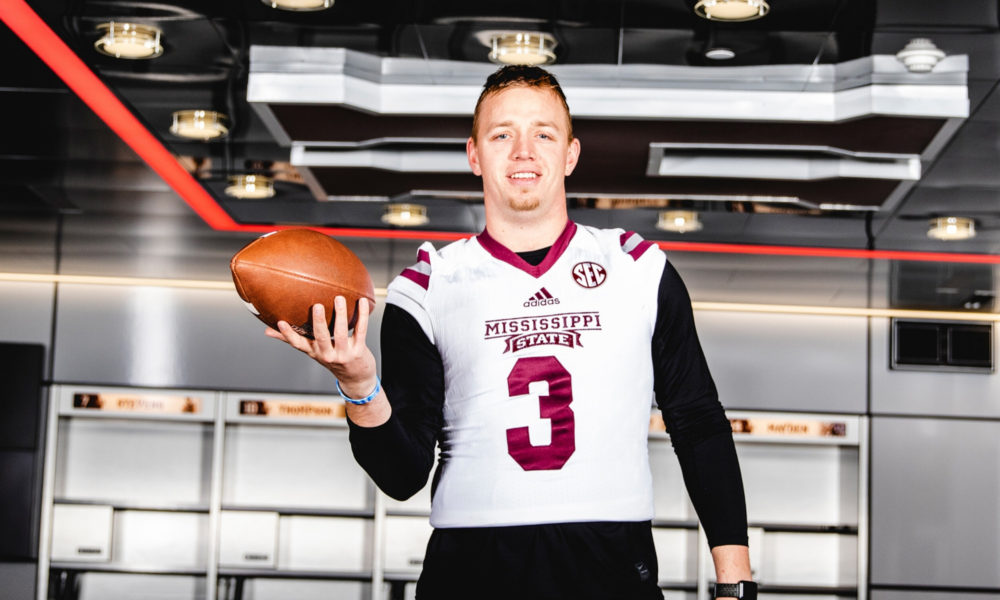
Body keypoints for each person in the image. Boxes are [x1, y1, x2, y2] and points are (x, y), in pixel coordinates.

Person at [268, 65, 755, 600]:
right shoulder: (425, 288)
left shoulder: (638, 269)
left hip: (610, 559)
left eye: (543, 134)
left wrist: (736, 583)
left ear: (570, 154)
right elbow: (403, 476)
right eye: (502, 135)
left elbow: (699, 423)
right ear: (474, 155)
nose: (524, 151)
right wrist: (360, 384)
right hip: (472, 565)